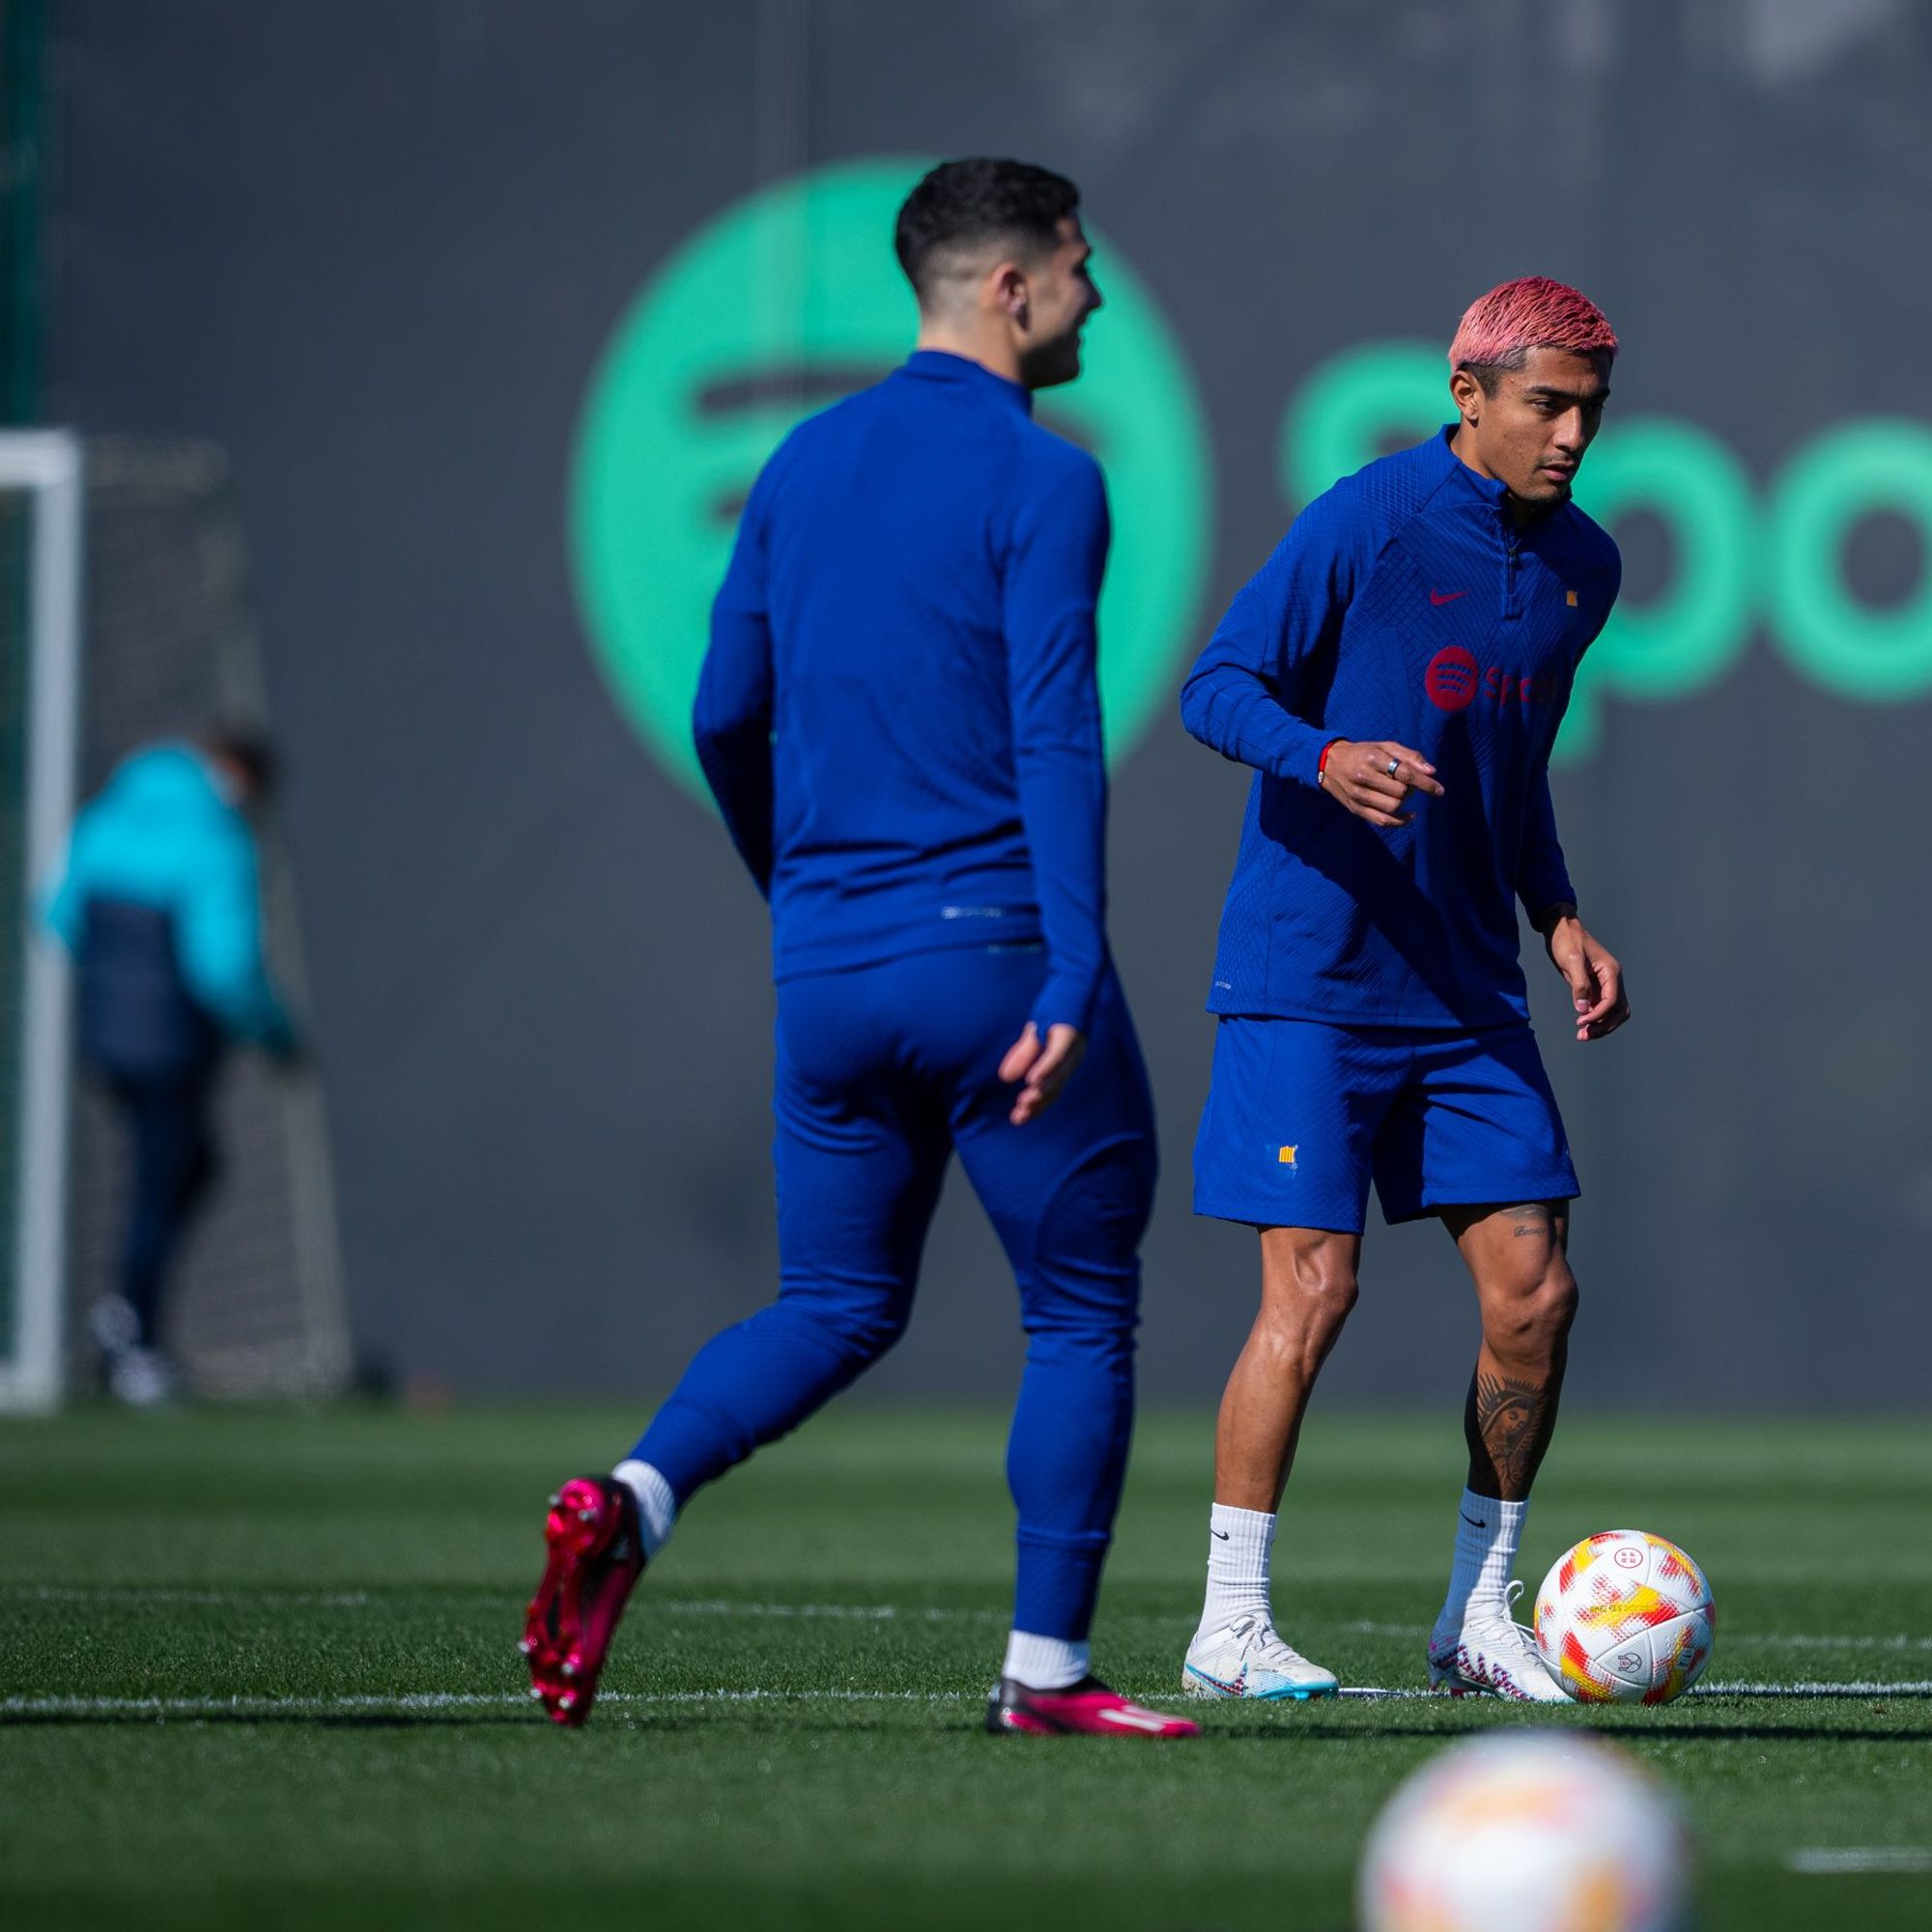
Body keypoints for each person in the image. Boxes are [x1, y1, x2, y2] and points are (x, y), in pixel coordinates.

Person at [523, 158, 1190, 1740]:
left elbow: (720, 716)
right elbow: (1055, 741)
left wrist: (799, 891)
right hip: (998, 960)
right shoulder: (1050, 479)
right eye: (1081, 267)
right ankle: (1044, 1676)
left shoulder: (801, 463)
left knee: (832, 1305)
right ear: (1011, 287)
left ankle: (634, 1493)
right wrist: (1076, 968)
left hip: (826, 968)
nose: (1096, 293)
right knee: (1081, 1313)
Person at [1175, 278, 1631, 1703]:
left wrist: (1556, 915)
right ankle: (1229, 1623)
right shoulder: (1368, 520)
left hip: (1463, 982)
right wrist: (1320, 755)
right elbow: (1216, 682)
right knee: (1314, 1289)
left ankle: (1478, 1621)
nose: (1569, 435)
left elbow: (1513, 769)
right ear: (1470, 393)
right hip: (1312, 969)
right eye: (1545, 404)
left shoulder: (1586, 570)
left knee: (1536, 1294)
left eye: (1590, 410)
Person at [47, 729, 298, 1406]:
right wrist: (276, 1036)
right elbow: (224, 968)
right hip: (171, 1041)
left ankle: (123, 1319)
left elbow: (58, 910)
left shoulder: (113, 810)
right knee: (165, 1181)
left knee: (175, 1171)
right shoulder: (216, 837)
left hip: (106, 1034)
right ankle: (133, 1337)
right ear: (245, 777)